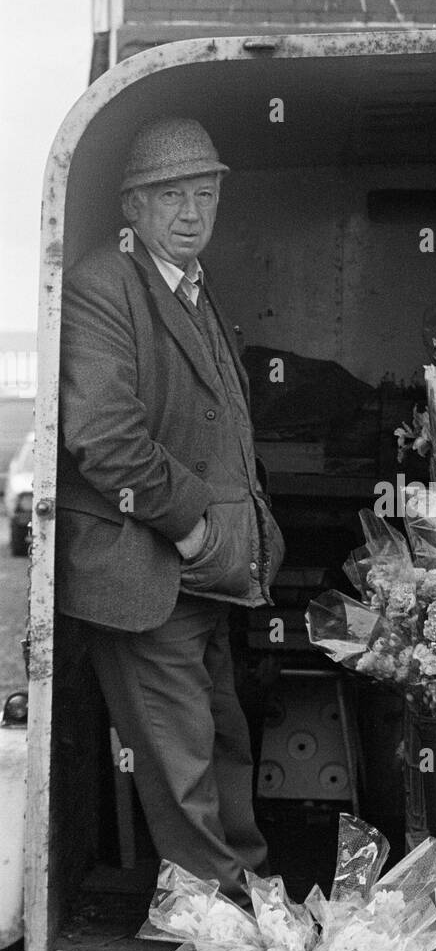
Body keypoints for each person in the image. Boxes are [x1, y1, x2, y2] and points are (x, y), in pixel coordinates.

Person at [56, 117, 284, 906]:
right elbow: (103, 438)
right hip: (146, 569)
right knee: (179, 758)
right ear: (132, 206)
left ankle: (246, 895)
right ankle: (214, 927)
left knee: (220, 739)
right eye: (168, 196)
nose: (190, 212)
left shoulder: (189, 285)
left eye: (204, 192)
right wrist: (193, 528)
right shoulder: (102, 282)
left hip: (203, 576)